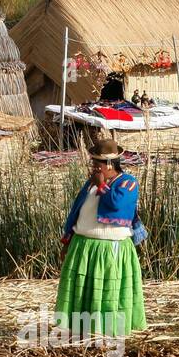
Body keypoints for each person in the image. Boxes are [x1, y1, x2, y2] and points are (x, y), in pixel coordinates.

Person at [55, 138, 147, 340]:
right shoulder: (90, 184)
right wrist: (68, 241)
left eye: (98, 165)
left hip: (109, 249)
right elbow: (76, 212)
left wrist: (102, 185)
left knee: (107, 294)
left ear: (110, 164)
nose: (94, 168)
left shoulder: (128, 183)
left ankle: (105, 334)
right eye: (93, 164)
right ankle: (80, 331)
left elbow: (116, 204)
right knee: (81, 292)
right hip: (83, 246)